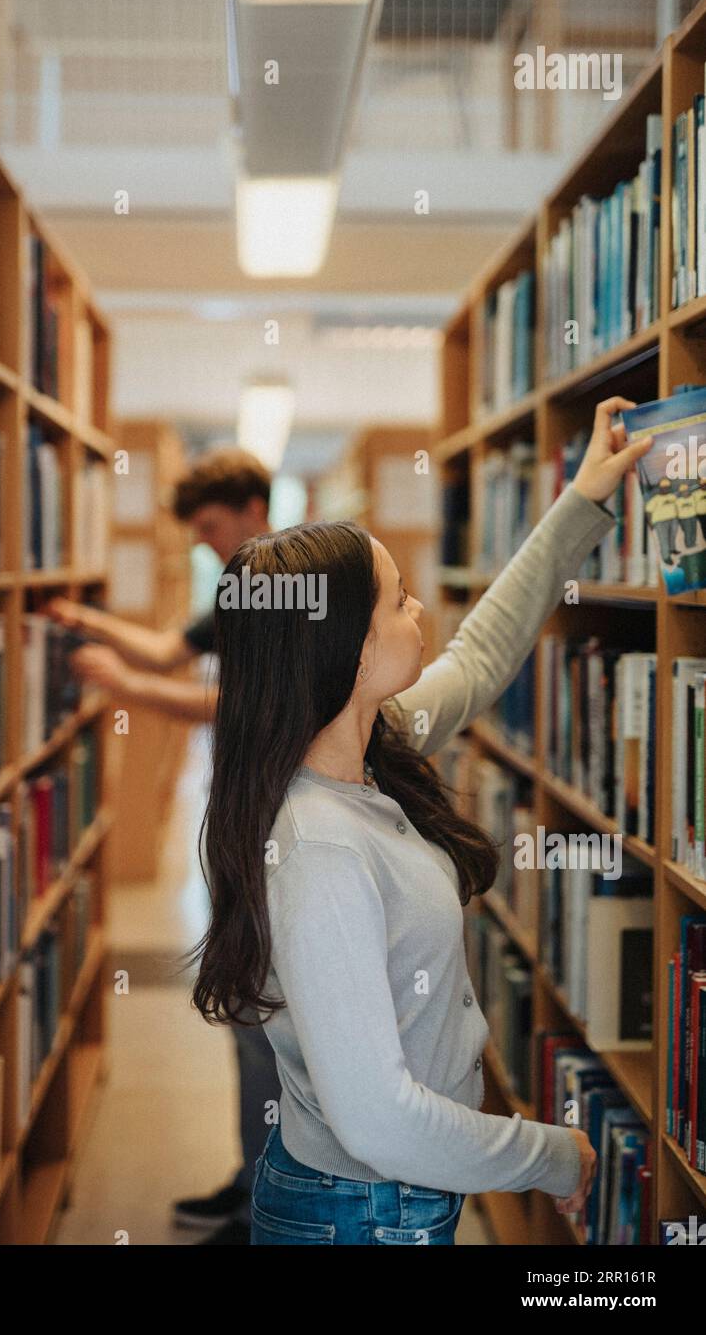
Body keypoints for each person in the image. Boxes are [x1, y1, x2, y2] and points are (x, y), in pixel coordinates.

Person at [189, 398, 653, 1245]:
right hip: (363, 1211)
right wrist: (551, 1155)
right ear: (351, 654)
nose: (421, 617)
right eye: (400, 604)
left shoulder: (368, 740)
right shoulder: (321, 848)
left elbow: (480, 657)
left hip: (379, 1201)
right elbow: (379, 1123)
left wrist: (583, 499)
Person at [46, 446, 284, 1244]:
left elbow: (225, 705)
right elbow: (165, 649)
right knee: (249, 1015)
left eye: (215, 528)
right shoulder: (244, 581)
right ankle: (253, 1178)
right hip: (250, 825)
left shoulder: (288, 586)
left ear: (254, 507)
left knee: (266, 1018)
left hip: (283, 831)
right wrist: (88, 622)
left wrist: (120, 684)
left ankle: (266, 1206)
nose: (210, 544)